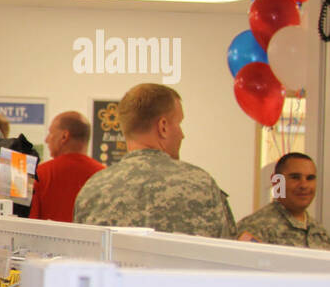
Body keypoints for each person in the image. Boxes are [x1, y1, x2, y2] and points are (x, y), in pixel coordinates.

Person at [74, 84, 235, 237]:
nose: (182, 134)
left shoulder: (92, 190)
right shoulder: (202, 185)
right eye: (179, 123)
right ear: (163, 127)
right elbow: (227, 258)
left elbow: (82, 257)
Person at [236, 152, 330, 249]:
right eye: (295, 177)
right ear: (277, 181)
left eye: (310, 178)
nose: (304, 185)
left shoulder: (319, 232)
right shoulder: (255, 228)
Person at [29, 110, 104, 222]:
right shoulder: (104, 176)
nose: (46, 139)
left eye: (50, 133)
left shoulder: (37, 174)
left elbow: (27, 225)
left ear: (64, 136)